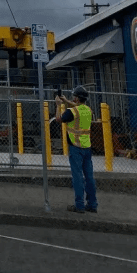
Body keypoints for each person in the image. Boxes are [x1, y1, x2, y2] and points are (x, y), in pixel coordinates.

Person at [55, 86, 98, 214]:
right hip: (87, 147)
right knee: (89, 177)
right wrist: (66, 101)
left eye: (74, 96)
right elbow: (78, 107)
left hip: (75, 147)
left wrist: (58, 105)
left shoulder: (72, 112)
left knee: (78, 177)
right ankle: (92, 204)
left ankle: (79, 205)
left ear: (77, 98)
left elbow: (58, 119)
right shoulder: (88, 110)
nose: (73, 98)